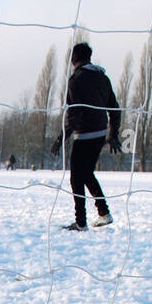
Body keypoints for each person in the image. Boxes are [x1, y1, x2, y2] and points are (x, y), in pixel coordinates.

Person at [51, 42, 122, 231]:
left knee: (77, 177)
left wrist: (61, 138)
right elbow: (115, 108)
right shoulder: (102, 78)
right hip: (99, 134)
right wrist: (113, 134)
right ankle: (103, 213)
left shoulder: (76, 80)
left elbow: (74, 114)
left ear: (73, 60)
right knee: (86, 173)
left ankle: (81, 222)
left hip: (84, 135)